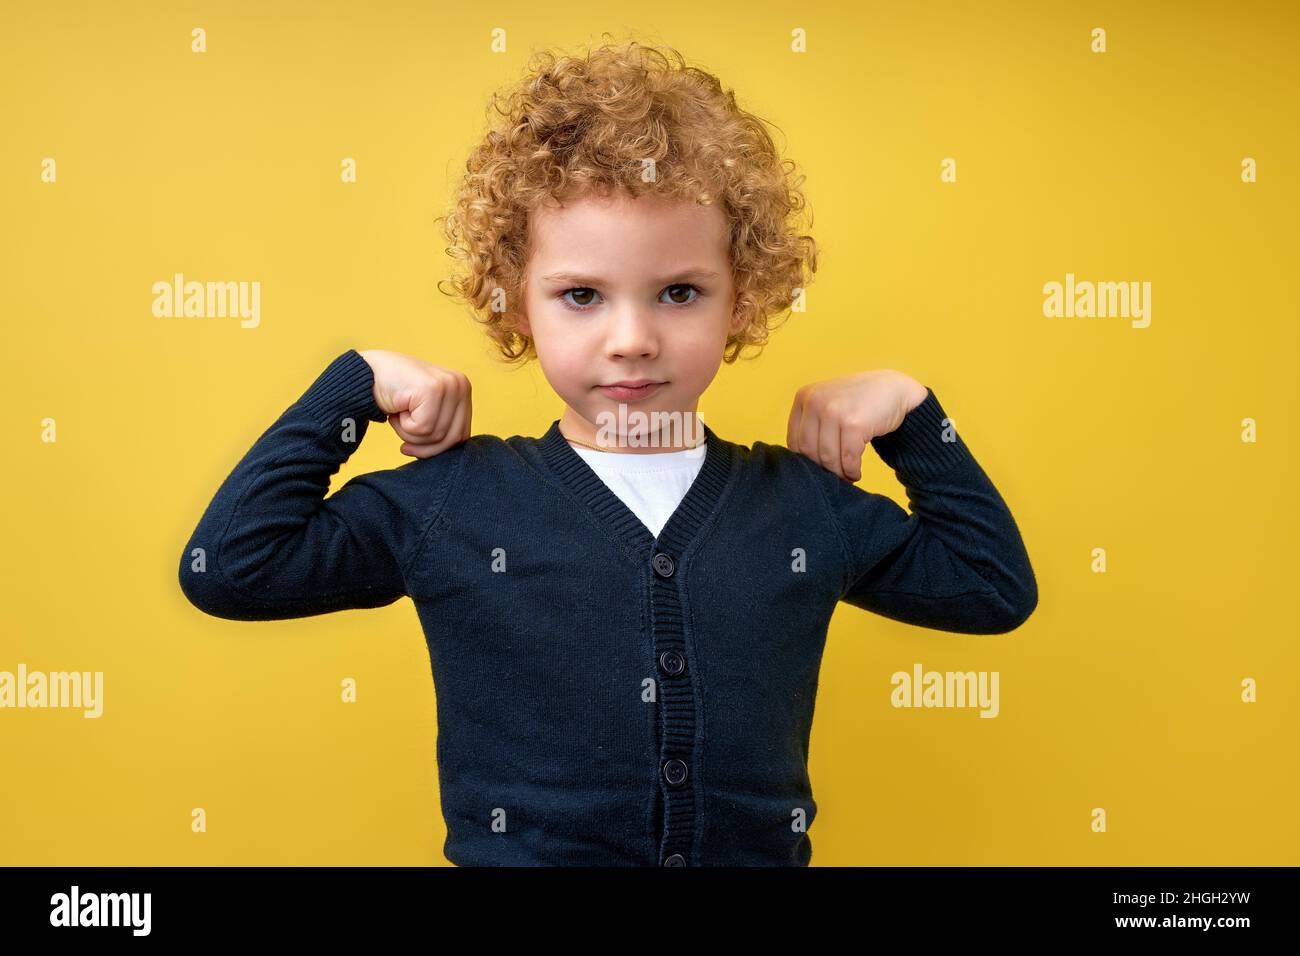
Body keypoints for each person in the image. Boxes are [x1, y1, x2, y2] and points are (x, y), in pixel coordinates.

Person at [179, 38, 1037, 866]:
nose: (632, 340)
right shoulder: (456, 501)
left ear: (743, 299)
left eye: (679, 293)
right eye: (581, 295)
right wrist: (351, 388)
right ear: (514, 303)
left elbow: (992, 588)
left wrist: (916, 418)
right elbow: (231, 568)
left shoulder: (801, 506)